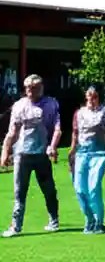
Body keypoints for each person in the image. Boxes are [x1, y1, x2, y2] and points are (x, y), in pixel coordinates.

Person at [1, 74, 61, 237]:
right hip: (22, 154)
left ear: (41, 88)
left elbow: (57, 128)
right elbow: (12, 131)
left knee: (48, 190)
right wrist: (5, 152)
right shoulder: (19, 106)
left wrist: (52, 146)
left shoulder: (50, 104)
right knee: (19, 192)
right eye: (27, 88)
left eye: (33, 88)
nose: (30, 91)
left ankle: (53, 220)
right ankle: (16, 226)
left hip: (41, 154)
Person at [67, 86, 105, 234]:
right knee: (79, 188)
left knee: (93, 187)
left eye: (94, 96)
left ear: (98, 97)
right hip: (81, 153)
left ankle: (99, 221)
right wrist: (71, 152)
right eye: (89, 96)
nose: (91, 99)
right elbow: (75, 133)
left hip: (99, 153)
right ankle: (89, 218)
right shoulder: (80, 113)